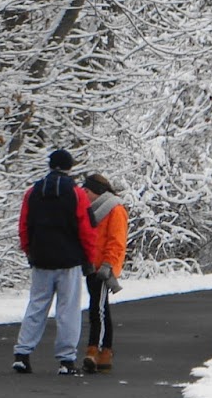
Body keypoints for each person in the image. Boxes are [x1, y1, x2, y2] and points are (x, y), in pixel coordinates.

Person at [13, 148, 100, 376]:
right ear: (70, 167)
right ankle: (66, 359)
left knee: (36, 305)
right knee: (68, 310)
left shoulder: (33, 192)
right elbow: (87, 229)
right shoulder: (77, 194)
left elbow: (24, 225)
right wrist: (89, 258)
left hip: (41, 258)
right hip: (69, 260)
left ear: (50, 165)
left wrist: (29, 251)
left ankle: (22, 353)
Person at [80, 172, 128, 373]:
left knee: (97, 309)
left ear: (96, 191)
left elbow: (117, 240)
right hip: (92, 266)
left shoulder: (115, 209)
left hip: (103, 267)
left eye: (87, 190)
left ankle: (95, 349)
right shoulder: (90, 210)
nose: (84, 193)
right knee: (101, 308)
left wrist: (108, 264)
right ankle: (105, 352)